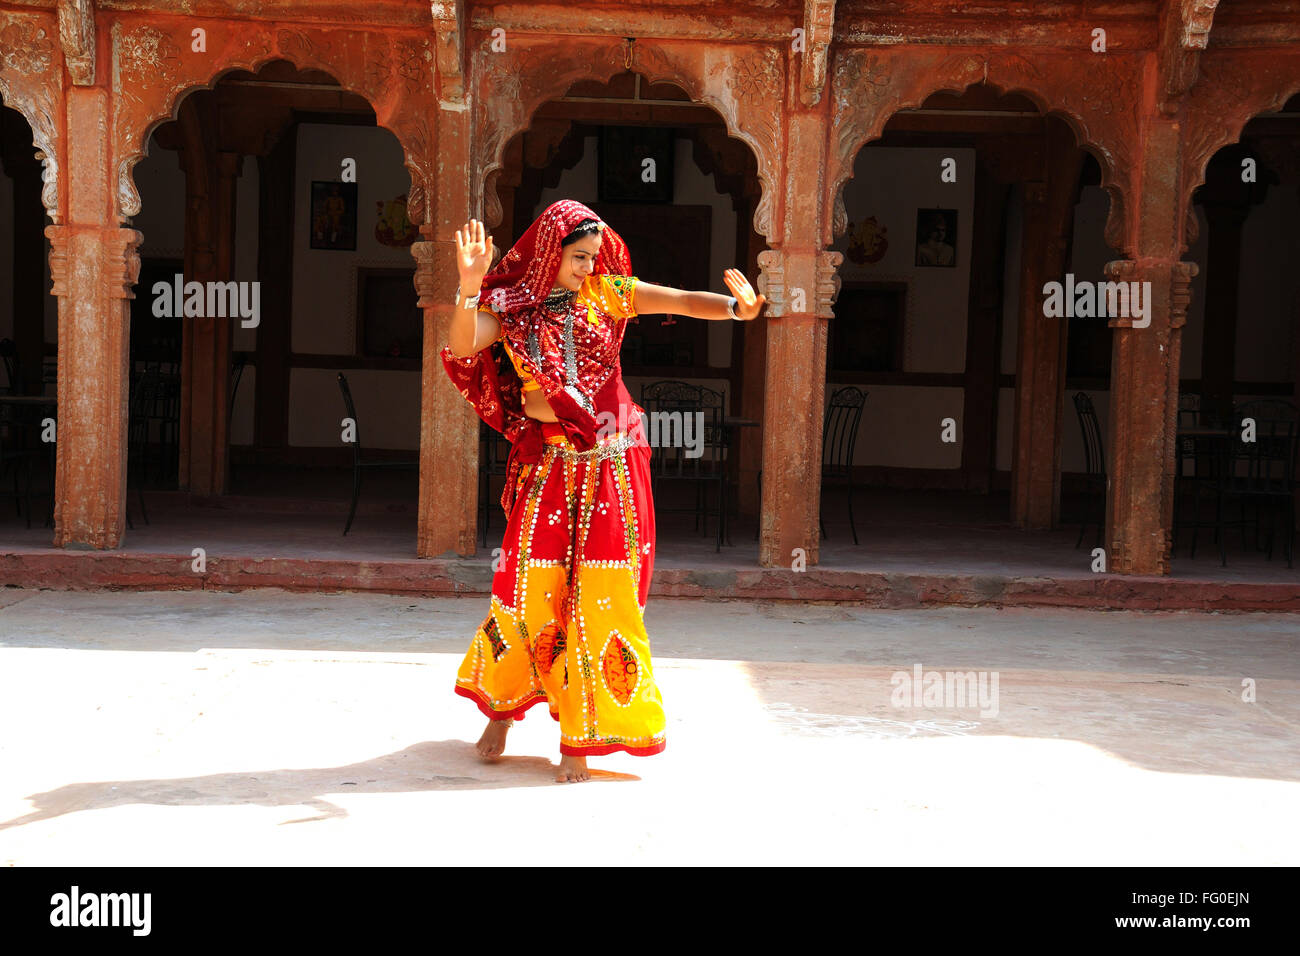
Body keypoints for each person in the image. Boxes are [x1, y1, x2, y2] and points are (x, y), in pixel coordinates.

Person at [442, 199, 765, 782]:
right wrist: (468, 288)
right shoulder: (513, 307)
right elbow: (464, 345)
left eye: (593, 257)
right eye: (577, 258)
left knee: (601, 596)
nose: (587, 267)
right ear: (549, 251)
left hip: (612, 464)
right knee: (528, 591)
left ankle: (578, 740)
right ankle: (503, 710)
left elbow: (682, 301)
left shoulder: (609, 294)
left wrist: (737, 311)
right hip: (550, 466)